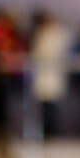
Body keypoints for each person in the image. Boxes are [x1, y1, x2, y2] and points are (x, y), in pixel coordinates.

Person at [28, 10, 71, 138]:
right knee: (44, 105)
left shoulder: (57, 33)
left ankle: (52, 130)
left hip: (52, 72)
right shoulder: (41, 33)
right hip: (43, 73)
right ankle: (45, 130)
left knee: (51, 105)